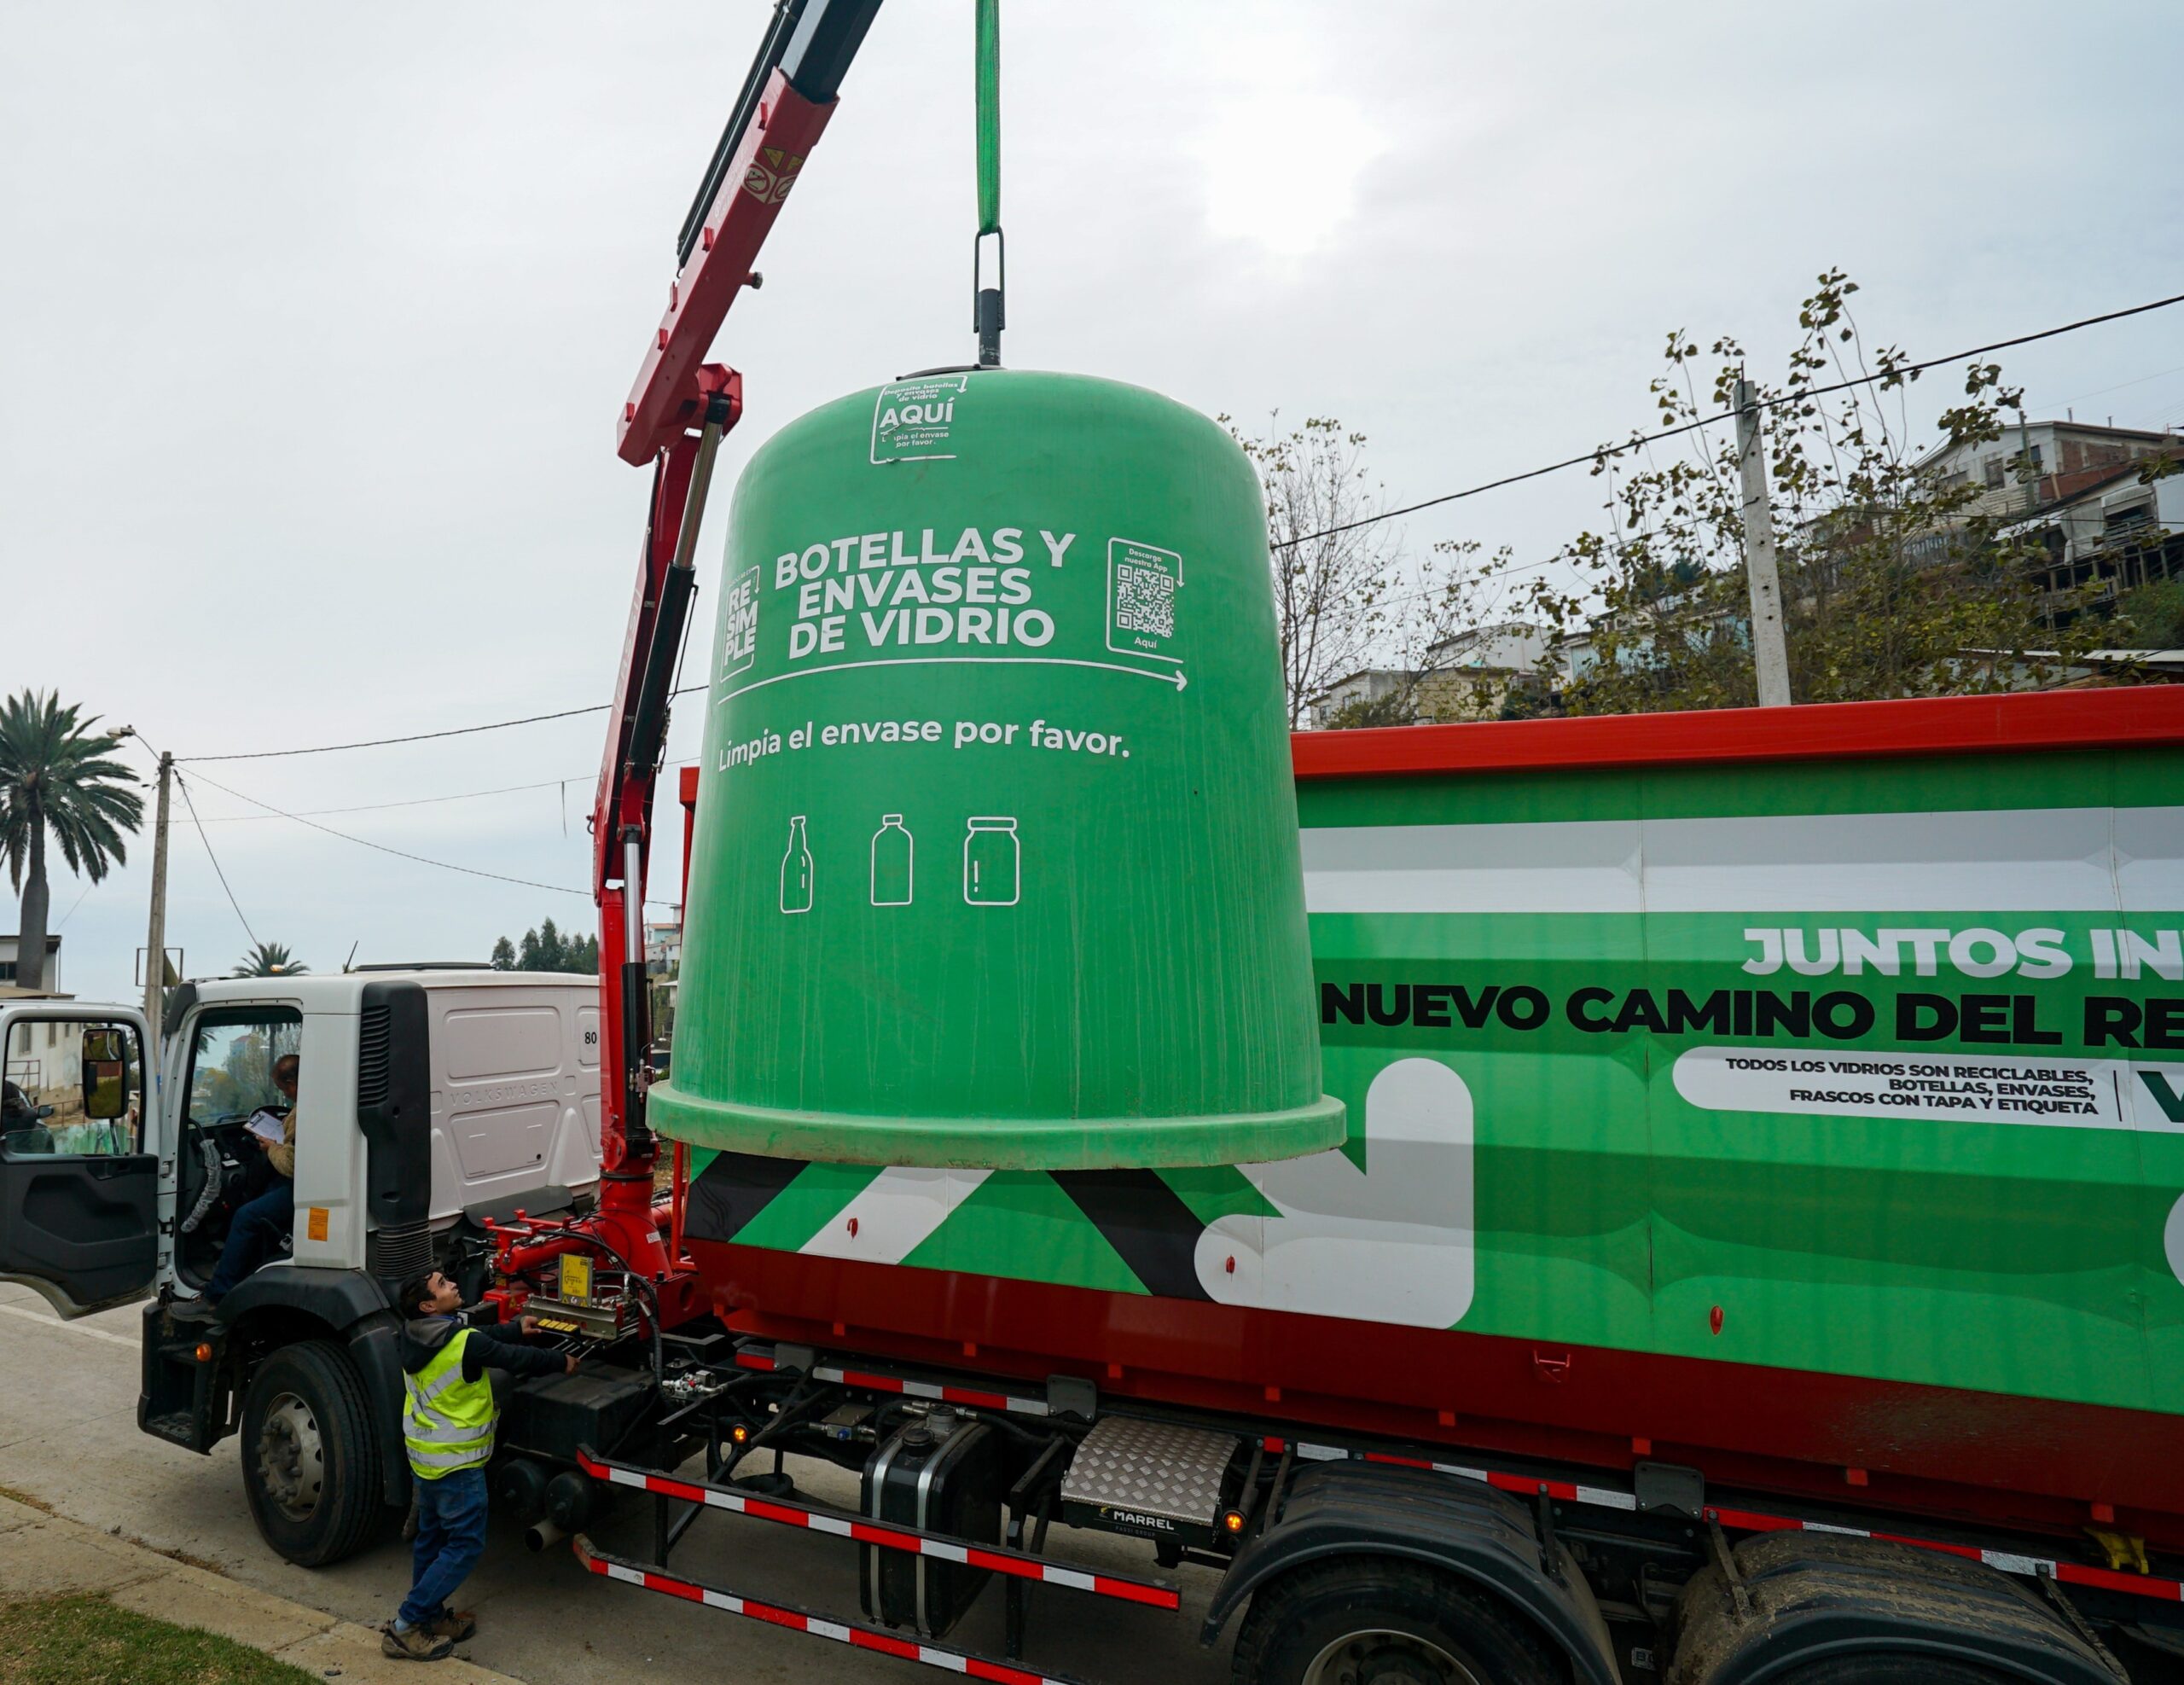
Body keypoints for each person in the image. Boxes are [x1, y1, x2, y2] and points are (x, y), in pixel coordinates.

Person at [383, 1267, 574, 1663]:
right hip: (458, 1464)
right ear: (428, 1306)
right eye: (442, 1284)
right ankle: (406, 1625)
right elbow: (509, 1357)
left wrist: (516, 1327)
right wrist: (561, 1361)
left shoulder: (413, 1334)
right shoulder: (460, 1342)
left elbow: (478, 1337)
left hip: (427, 1459)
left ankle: (430, 1617)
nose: (453, 1283)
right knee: (466, 1545)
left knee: (432, 1539)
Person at [173, 1053, 302, 1321]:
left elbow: (291, 1165)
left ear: (293, 1083)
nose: (285, 1095)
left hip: (302, 1186)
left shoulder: (307, 1109)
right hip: (301, 1182)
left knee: (246, 1216)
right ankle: (244, 1272)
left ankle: (215, 1297)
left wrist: (270, 1147)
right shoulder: (309, 1103)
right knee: (258, 1200)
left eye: (283, 1089)